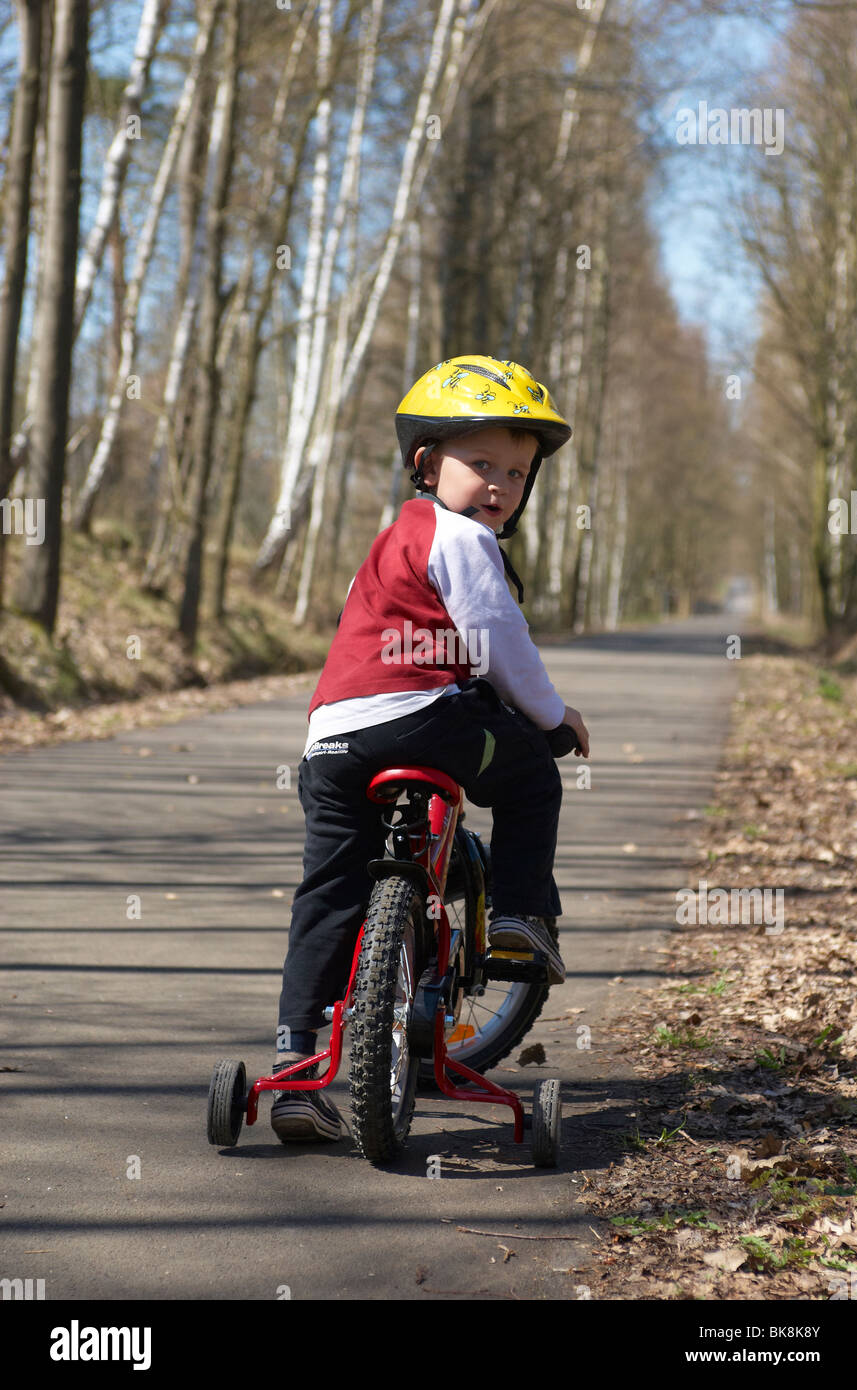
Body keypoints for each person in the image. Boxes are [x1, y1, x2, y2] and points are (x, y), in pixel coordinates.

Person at [271, 354, 590, 1142]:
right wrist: (551, 721)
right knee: (529, 780)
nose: (499, 486)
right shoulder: (462, 540)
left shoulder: (387, 546)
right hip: (419, 719)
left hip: (332, 739)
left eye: (517, 474)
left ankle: (293, 1067)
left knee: (328, 896)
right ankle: (520, 916)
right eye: (481, 464)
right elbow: (497, 643)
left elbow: (362, 638)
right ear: (426, 463)